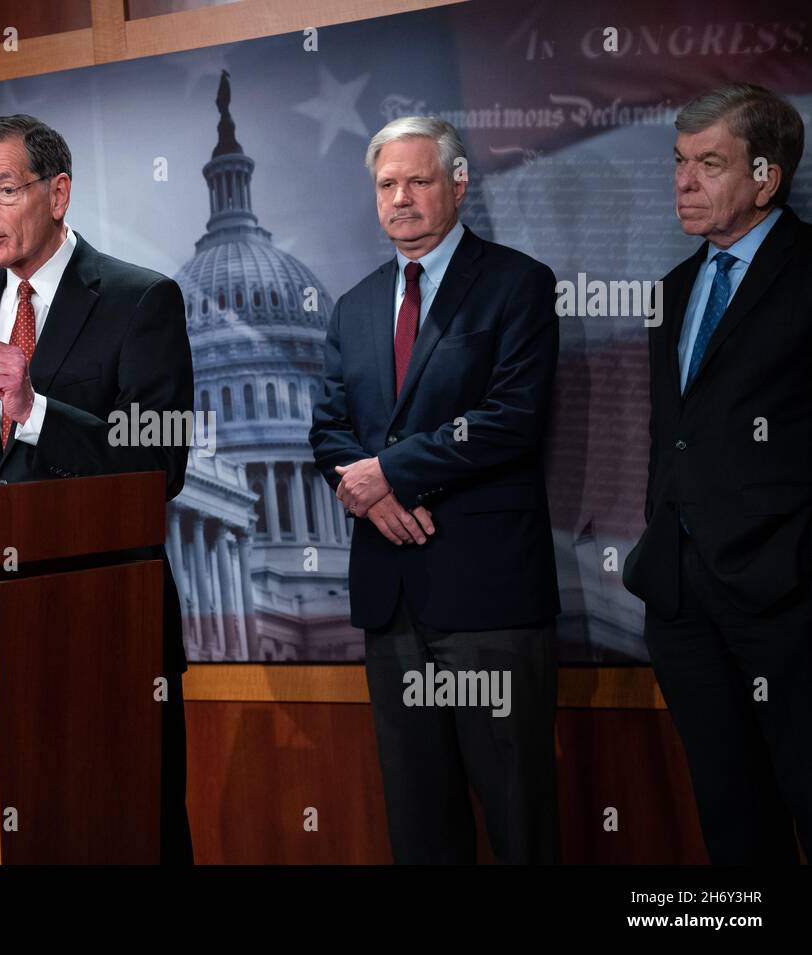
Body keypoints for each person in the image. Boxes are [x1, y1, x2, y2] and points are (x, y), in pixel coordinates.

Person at [0, 115, 195, 862]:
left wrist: (35, 411)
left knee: (124, 832)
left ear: (58, 194)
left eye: (3, 190)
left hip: (103, 629)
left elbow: (162, 464)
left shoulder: (141, 299)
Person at [309, 116, 560, 864]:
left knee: (518, 816)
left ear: (457, 183)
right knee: (420, 824)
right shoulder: (353, 306)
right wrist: (371, 494)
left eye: (419, 180)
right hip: (393, 601)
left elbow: (511, 419)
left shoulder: (518, 283)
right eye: (387, 184)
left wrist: (391, 471)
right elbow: (329, 431)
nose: (401, 198)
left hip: (489, 599)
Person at [623, 83, 811, 864]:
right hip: (683, 599)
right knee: (733, 819)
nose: (684, 183)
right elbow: (681, 438)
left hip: (789, 599)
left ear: (766, 177)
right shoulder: (674, 289)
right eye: (678, 162)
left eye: (708, 163)